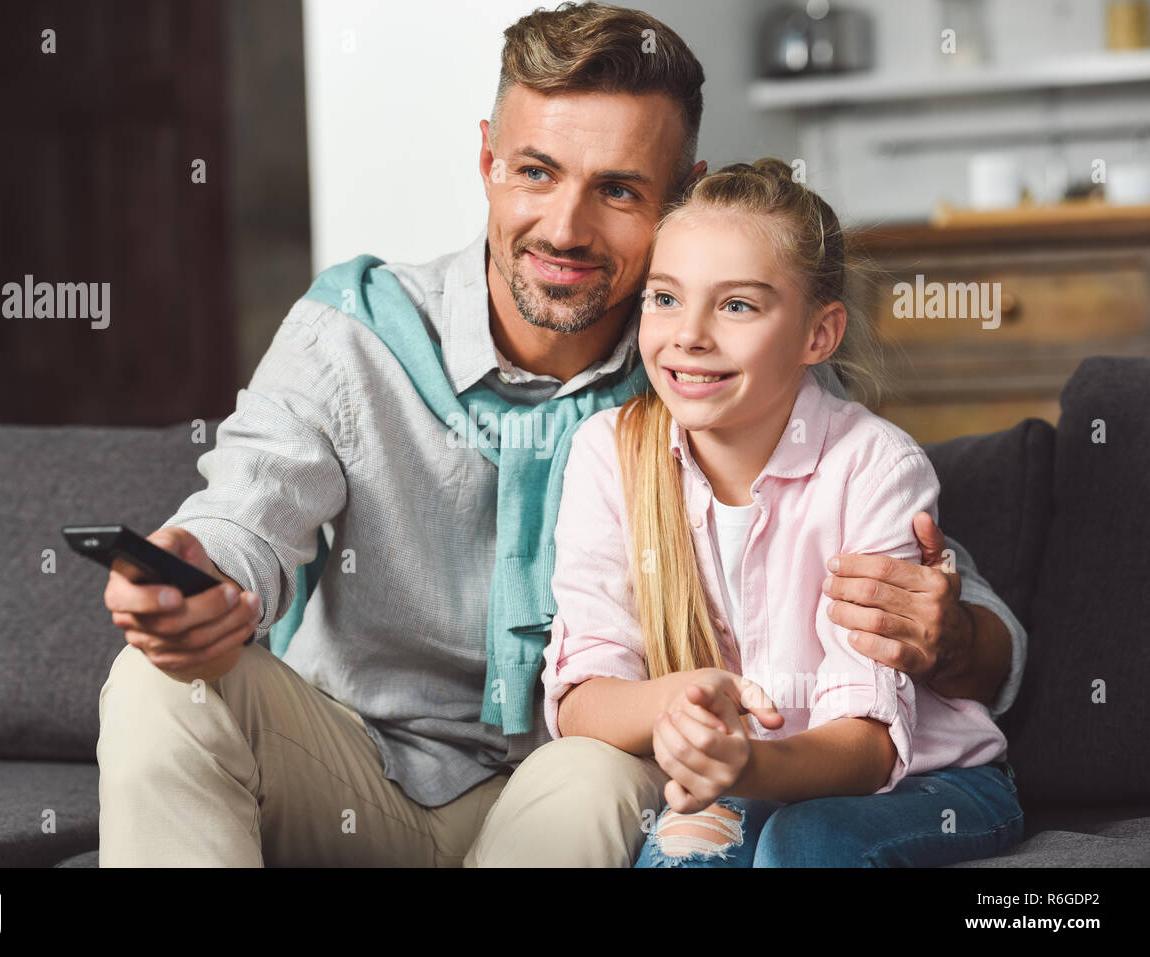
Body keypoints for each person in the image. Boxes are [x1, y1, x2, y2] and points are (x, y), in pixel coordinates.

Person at [97, 2, 1025, 867]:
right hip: (353, 769)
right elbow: (245, 510)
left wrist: (945, 635)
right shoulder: (355, 333)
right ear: (490, 160)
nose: (565, 228)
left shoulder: (713, 368)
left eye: (619, 190)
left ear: (680, 198)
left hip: (584, 787)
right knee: (153, 684)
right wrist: (200, 573)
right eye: (536, 171)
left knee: (586, 772)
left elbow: (934, 602)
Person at [532, 158, 1023, 868]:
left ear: (818, 336)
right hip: (743, 777)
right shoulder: (608, 453)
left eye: (737, 306)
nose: (689, 334)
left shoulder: (875, 466)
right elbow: (580, 696)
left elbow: (870, 741)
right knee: (682, 852)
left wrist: (746, 767)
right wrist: (680, 702)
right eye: (665, 298)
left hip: (928, 780)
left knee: (803, 844)